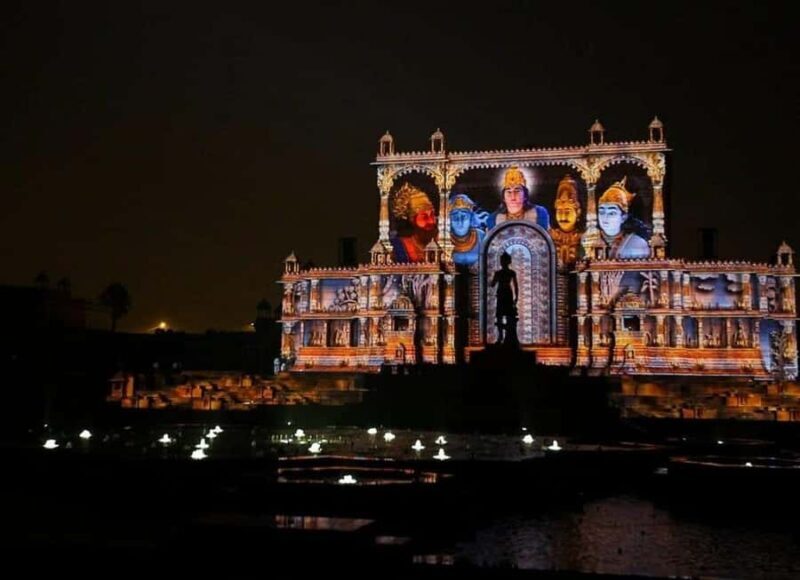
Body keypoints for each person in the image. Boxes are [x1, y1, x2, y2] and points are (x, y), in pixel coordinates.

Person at [597, 177, 650, 259]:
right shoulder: (588, 240)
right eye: (601, 212)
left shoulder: (636, 243)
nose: (605, 217)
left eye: (612, 213)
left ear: (623, 217)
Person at [389, 182, 438, 262]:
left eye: (432, 215)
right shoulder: (398, 248)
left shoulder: (444, 242)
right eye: (424, 217)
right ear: (412, 220)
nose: (431, 221)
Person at [549, 174, 583, 266]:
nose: (563, 217)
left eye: (567, 211)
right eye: (559, 211)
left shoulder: (584, 237)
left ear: (578, 212)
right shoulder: (549, 236)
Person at [448, 193, 485, 266]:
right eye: (455, 216)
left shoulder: (481, 236)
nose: (460, 221)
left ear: (471, 217)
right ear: (449, 219)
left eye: (464, 216)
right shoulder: (442, 238)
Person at [490, 252, 519, 345]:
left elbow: (515, 285)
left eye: (503, 261)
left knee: (505, 316)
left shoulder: (506, 273)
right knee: (501, 316)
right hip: (504, 294)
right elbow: (493, 284)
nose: (502, 262)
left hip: (505, 294)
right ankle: (501, 336)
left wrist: (516, 297)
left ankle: (505, 336)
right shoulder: (503, 273)